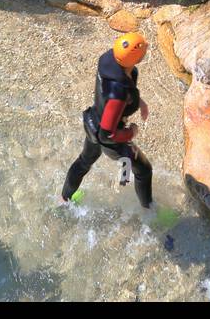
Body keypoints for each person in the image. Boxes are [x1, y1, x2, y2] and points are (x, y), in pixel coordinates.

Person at [61, 33, 153, 209]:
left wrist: (138, 101)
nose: (147, 45)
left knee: (83, 162)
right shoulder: (119, 93)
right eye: (143, 47)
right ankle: (149, 211)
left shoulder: (108, 60)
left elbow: (116, 91)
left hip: (93, 121)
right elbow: (107, 134)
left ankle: (64, 199)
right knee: (144, 170)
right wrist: (130, 132)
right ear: (135, 57)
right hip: (109, 138)